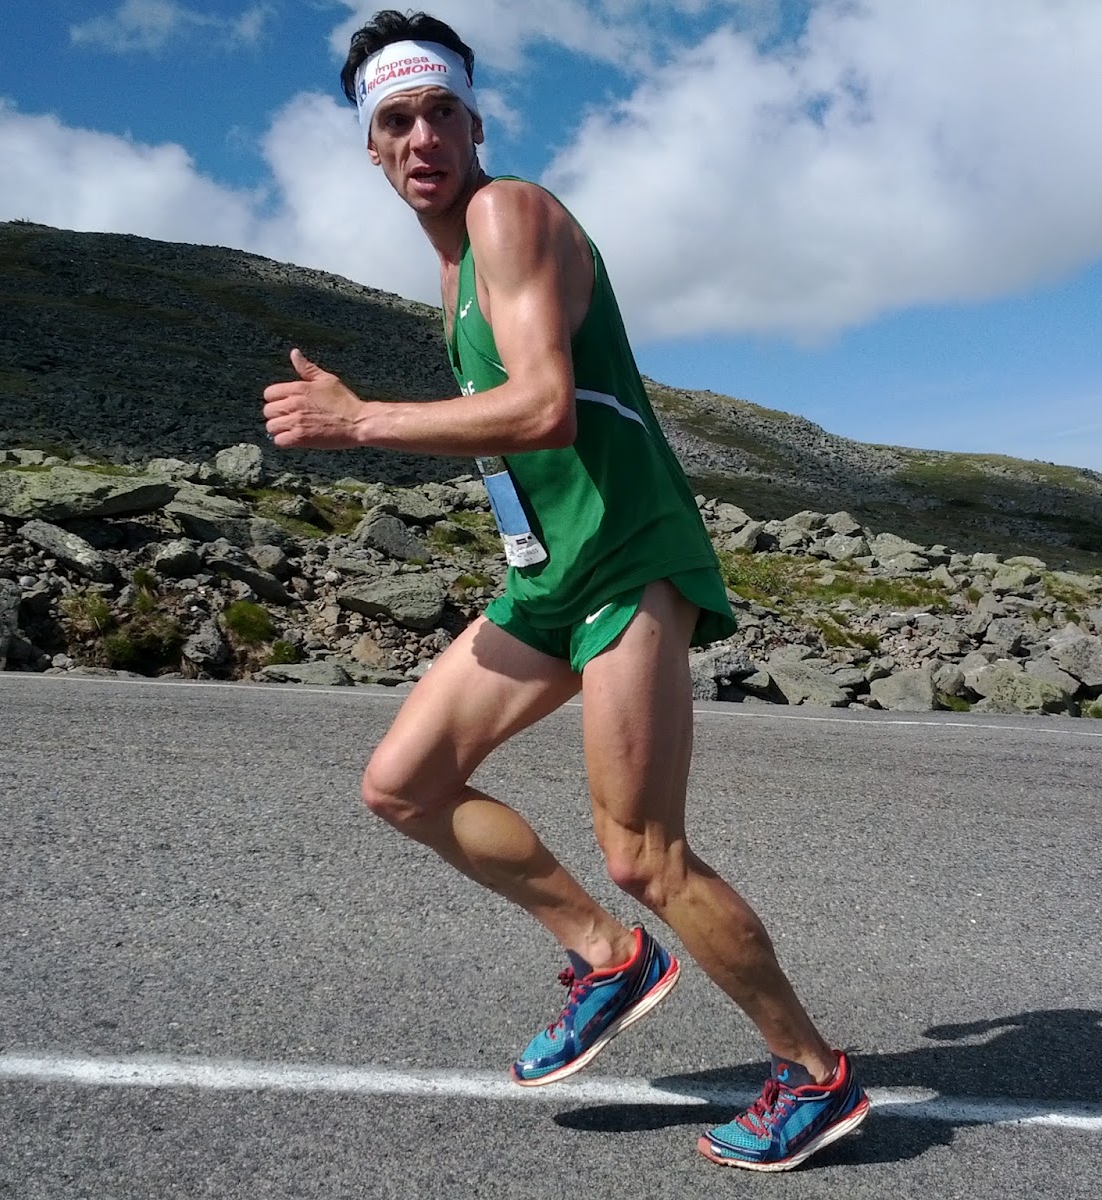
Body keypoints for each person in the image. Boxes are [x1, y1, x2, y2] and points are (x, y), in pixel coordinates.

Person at [261, 9, 868, 1171]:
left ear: (476, 121)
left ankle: (815, 1076)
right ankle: (605, 956)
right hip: (544, 572)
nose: (423, 134)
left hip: (628, 556)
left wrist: (358, 421)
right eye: (397, 120)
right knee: (402, 782)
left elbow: (541, 404)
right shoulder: (453, 271)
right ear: (371, 149)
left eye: (442, 110)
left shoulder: (508, 214)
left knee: (645, 853)